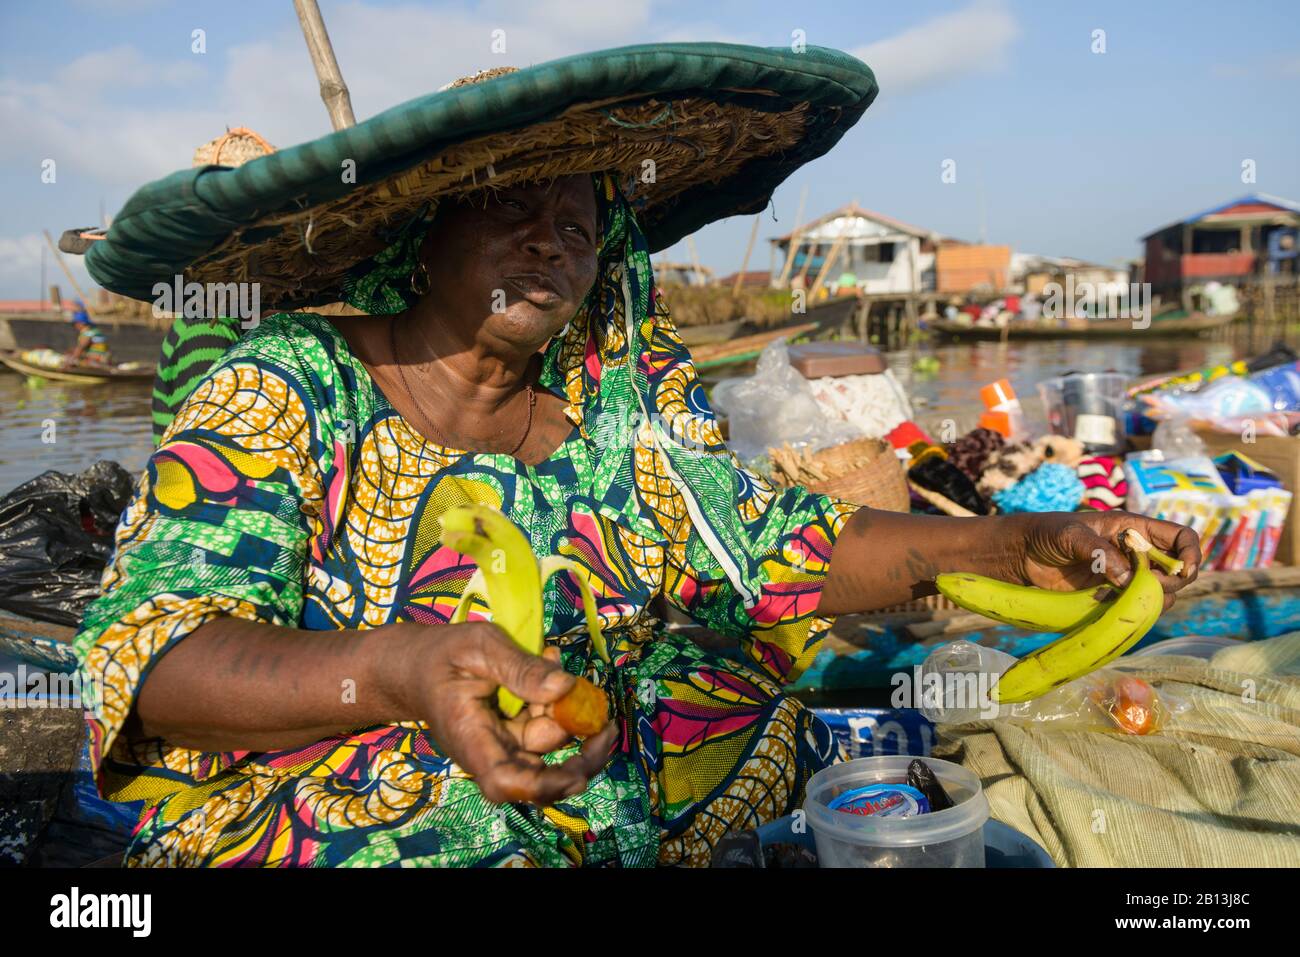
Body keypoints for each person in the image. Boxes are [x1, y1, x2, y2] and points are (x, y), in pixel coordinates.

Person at [74, 50, 1200, 868]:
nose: (550, 240)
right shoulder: (290, 386)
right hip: (315, 793)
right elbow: (161, 661)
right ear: (423, 232)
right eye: (510, 203)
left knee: (749, 697)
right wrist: (405, 674)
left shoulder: (611, 423)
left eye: (575, 220)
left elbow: (773, 552)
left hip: (572, 770)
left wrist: (1019, 539)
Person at [63, 299, 112, 367]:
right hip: (105, 359)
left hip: (97, 361)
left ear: (81, 323)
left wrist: (70, 361)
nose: (75, 326)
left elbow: (81, 347)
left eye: (75, 323)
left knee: (70, 358)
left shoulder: (88, 333)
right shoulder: (95, 330)